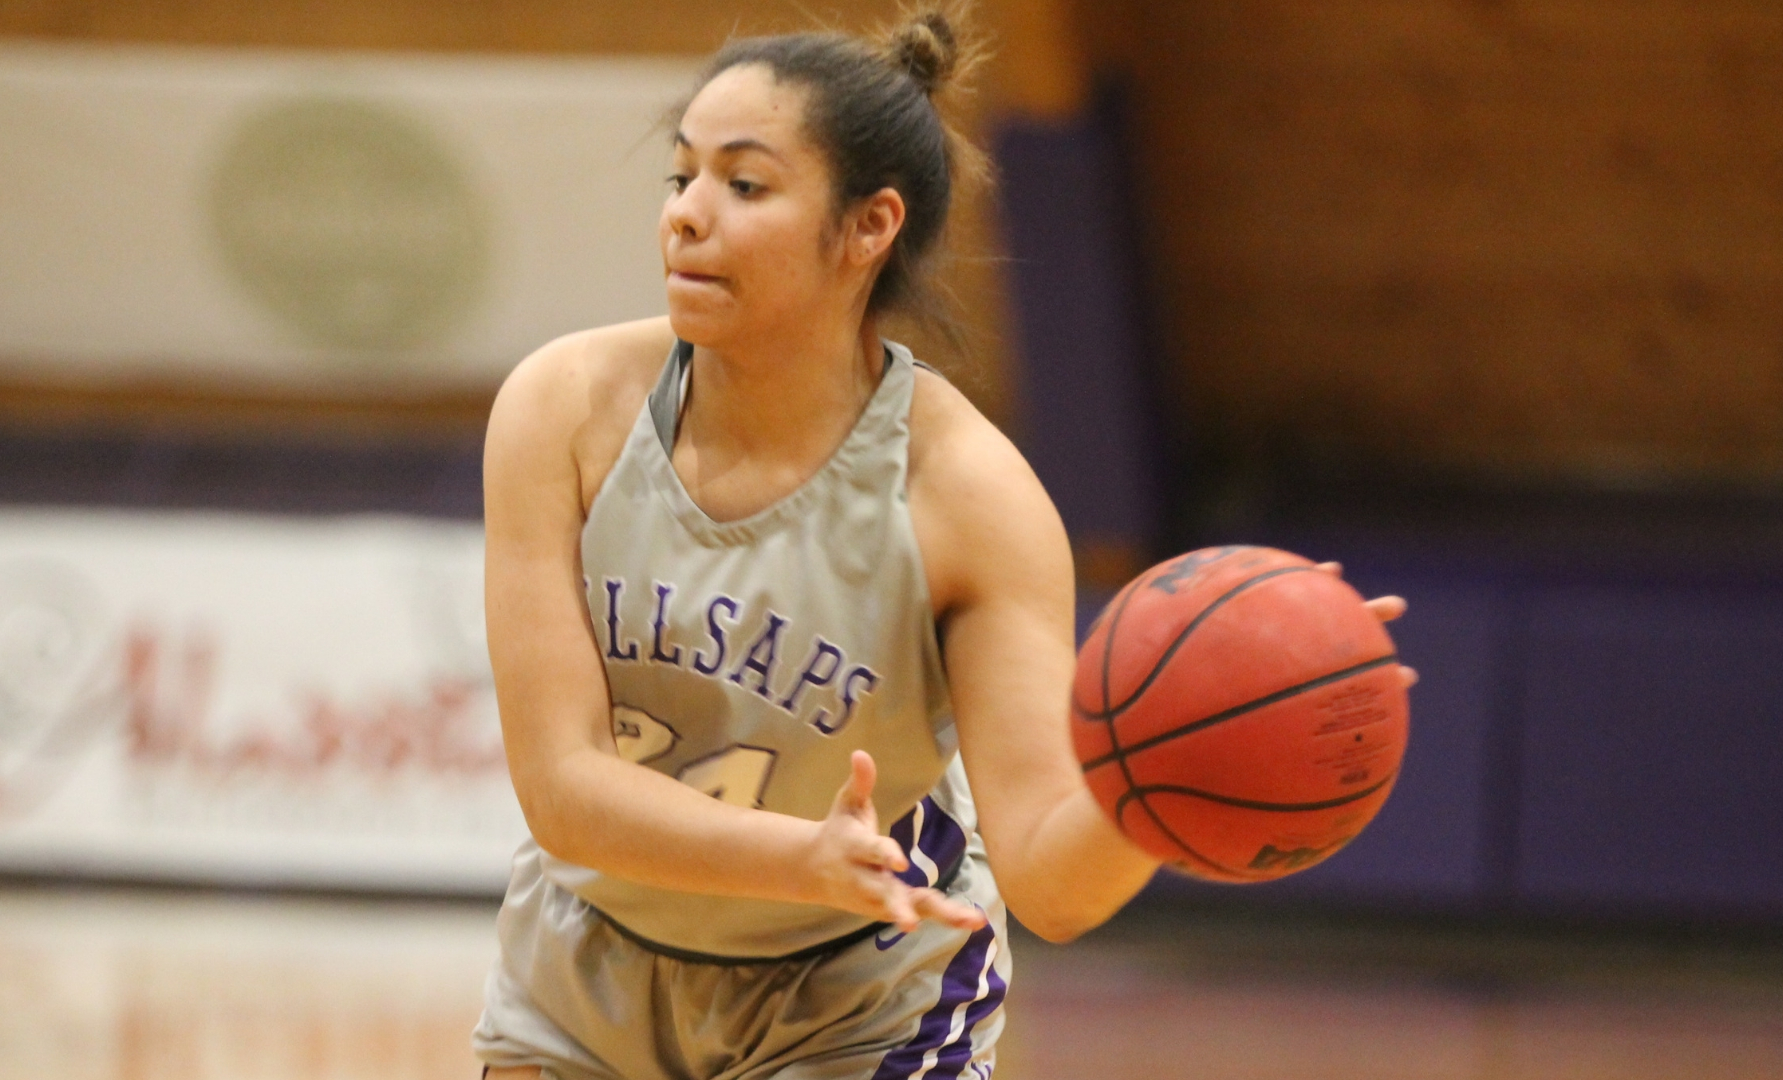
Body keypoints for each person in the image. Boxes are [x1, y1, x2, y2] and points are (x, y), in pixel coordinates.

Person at [472, 7, 1410, 1078]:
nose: (686, 214)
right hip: (586, 965)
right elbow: (562, 789)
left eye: (744, 185)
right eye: (681, 176)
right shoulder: (565, 408)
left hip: (860, 994)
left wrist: (1167, 760)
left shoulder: (970, 500)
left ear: (869, 226)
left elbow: (1051, 883)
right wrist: (803, 856)